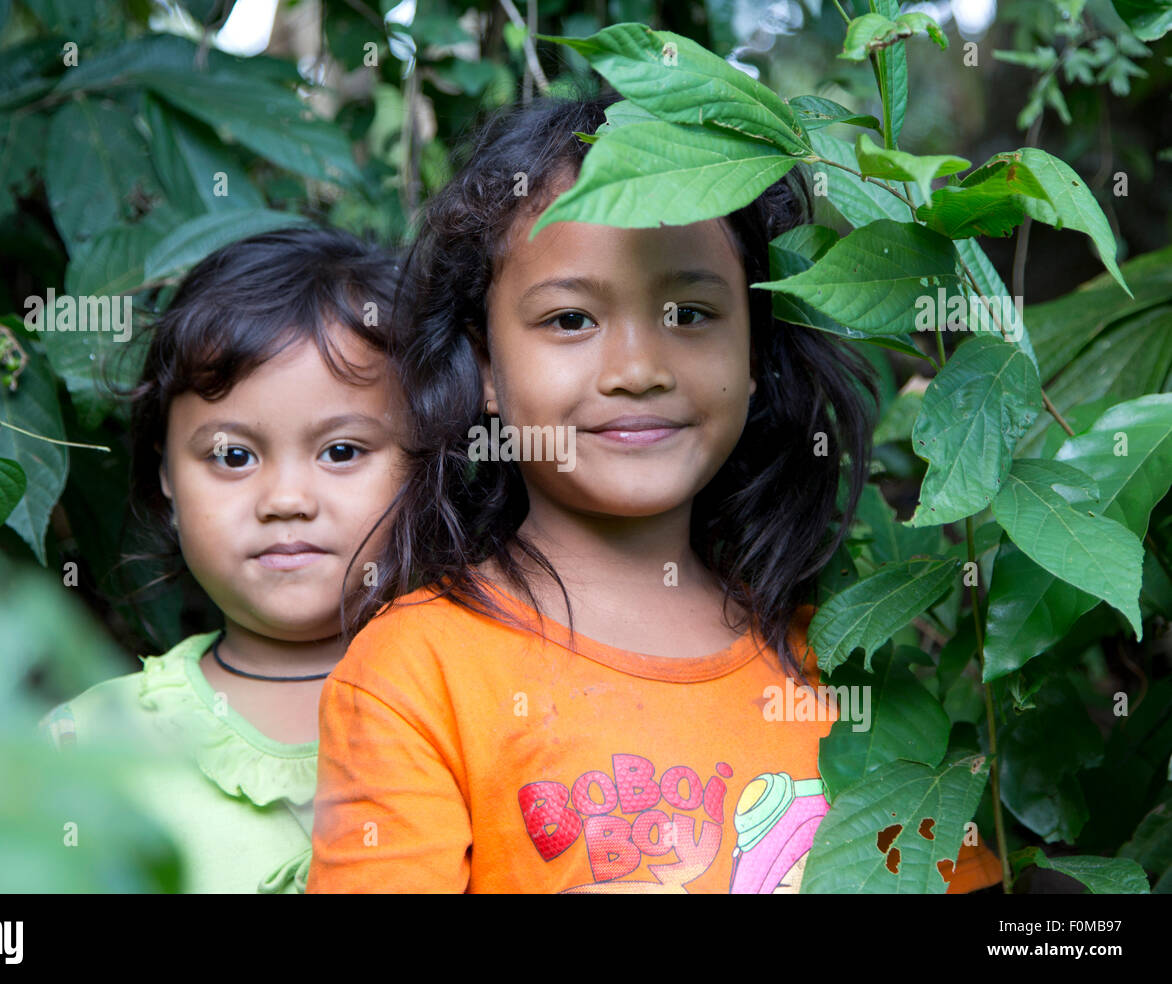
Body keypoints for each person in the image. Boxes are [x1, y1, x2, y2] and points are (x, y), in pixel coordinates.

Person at [305, 93, 1002, 893]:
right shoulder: (414, 674)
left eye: (690, 312)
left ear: (754, 354)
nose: (638, 369)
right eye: (569, 319)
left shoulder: (845, 661)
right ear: (487, 368)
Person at [41, 227, 409, 893]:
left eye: (342, 451)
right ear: (166, 479)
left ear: (422, 464)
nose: (287, 500)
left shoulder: (486, 705)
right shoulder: (87, 748)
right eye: (233, 456)